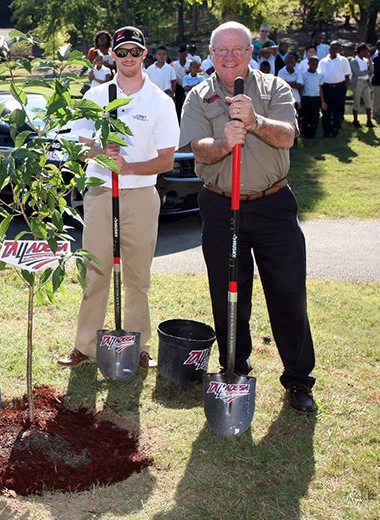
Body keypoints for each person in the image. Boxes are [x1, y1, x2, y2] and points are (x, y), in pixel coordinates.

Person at [178, 21, 317, 414]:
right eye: (221, 50)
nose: (229, 57)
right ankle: (234, 367)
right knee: (228, 291)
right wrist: (224, 142)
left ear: (251, 51)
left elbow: (289, 135)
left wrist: (254, 121)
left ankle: (298, 380)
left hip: (272, 204)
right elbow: (199, 150)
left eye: (238, 49)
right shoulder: (198, 97)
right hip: (221, 206)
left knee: (288, 292)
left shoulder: (274, 88)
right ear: (210, 54)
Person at [57, 26, 178, 370]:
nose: (128, 58)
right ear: (112, 55)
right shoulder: (95, 97)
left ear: (145, 55)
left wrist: (127, 166)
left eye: (135, 52)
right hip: (99, 192)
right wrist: (98, 151)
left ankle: (138, 346)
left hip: (140, 194)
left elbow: (166, 158)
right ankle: (86, 346)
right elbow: (77, 145)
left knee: (138, 274)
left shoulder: (159, 101)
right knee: (96, 269)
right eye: (122, 52)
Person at [318, 41, 351, 138]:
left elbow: (347, 76)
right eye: (332, 48)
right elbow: (320, 77)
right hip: (327, 88)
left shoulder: (343, 60)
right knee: (327, 111)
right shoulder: (323, 61)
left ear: (339, 50)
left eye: (336, 48)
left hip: (339, 88)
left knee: (338, 110)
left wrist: (344, 88)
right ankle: (327, 131)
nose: (333, 50)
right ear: (329, 49)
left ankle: (336, 129)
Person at [350, 44, 374, 128]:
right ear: (361, 51)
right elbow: (357, 72)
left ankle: (369, 121)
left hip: (366, 82)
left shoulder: (366, 60)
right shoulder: (353, 61)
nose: (367, 52)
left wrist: (370, 60)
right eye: (365, 51)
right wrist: (366, 72)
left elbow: (371, 70)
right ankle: (355, 121)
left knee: (368, 102)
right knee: (356, 102)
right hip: (358, 82)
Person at [299, 56, 323, 138]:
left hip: (316, 98)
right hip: (306, 98)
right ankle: (305, 132)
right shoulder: (304, 75)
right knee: (305, 116)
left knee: (315, 117)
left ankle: (312, 133)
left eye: (316, 64)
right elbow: (302, 87)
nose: (314, 65)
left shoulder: (319, 75)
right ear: (308, 63)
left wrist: (322, 101)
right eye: (312, 63)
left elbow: (320, 88)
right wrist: (300, 100)